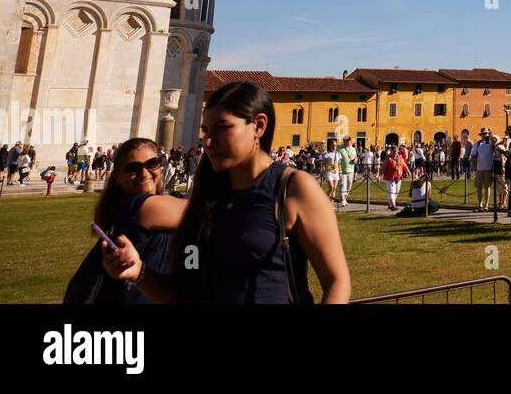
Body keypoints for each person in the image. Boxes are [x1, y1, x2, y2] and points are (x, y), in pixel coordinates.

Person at [101, 82, 351, 303]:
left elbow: (337, 283)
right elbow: (186, 294)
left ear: (259, 126)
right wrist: (139, 272)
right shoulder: (204, 199)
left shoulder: (294, 188)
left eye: (222, 128)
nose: (208, 141)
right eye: (206, 131)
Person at [67, 137, 186, 304]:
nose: (144, 173)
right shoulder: (140, 207)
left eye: (152, 163)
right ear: (117, 176)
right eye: (133, 169)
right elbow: (205, 211)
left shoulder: (121, 206)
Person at [382, 142, 406, 211]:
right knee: (392, 191)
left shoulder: (400, 157)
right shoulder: (388, 158)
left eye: (396, 151)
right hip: (389, 177)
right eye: (394, 151)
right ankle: (393, 205)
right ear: (391, 151)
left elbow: (404, 165)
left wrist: (408, 171)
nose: (395, 152)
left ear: (398, 151)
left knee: (396, 191)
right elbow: (383, 168)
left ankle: (390, 203)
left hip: (398, 177)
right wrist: (379, 176)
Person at [474, 130, 495, 211]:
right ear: (481, 135)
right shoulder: (478, 144)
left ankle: (486, 205)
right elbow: (473, 155)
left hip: (488, 168)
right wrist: (474, 166)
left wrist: (492, 142)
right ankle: (480, 204)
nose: (485, 135)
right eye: (484, 134)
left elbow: (494, 151)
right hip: (479, 168)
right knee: (479, 187)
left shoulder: (491, 144)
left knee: (487, 187)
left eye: (486, 134)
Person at [336, 136, 357, 208]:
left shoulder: (353, 149)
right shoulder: (339, 148)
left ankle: (344, 199)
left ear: (350, 141)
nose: (347, 141)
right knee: (343, 186)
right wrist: (340, 170)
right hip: (342, 170)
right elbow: (337, 160)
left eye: (348, 140)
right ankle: (343, 201)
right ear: (343, 141)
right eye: (345, 140)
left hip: (351, 170)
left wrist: (355, 160)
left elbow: (355, 157)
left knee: (349, 187)